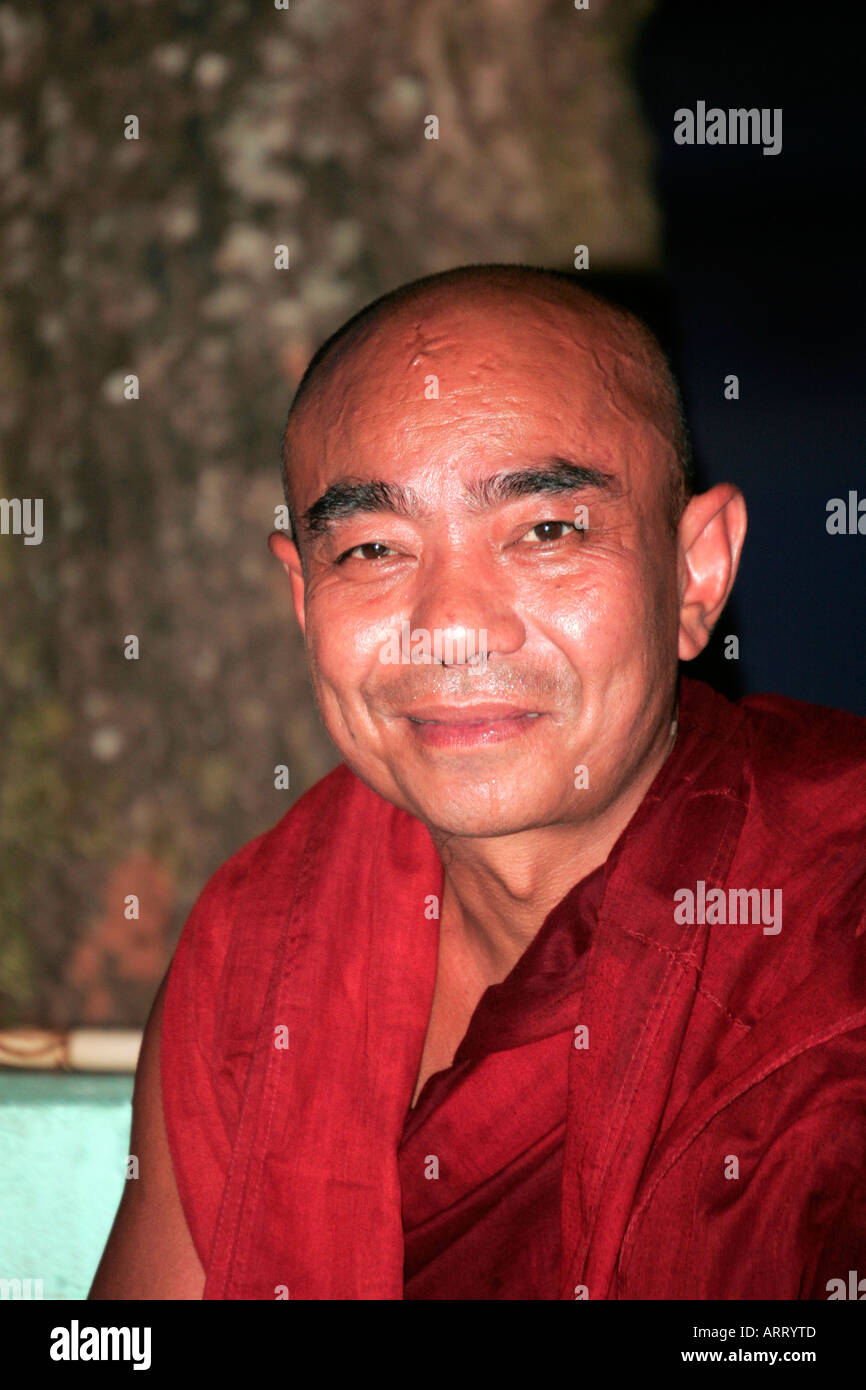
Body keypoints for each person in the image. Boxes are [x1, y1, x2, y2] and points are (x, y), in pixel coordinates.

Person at [90, 264, 866, 1301]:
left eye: (545, 530)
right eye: (372, 547)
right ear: (300, 592)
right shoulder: (260, 946)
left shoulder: (834, 915)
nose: (451, 623)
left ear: (694, 571)